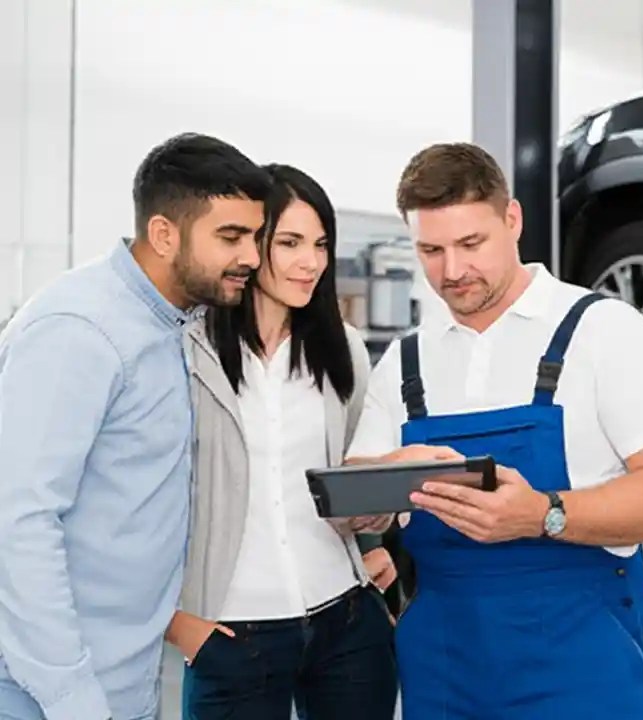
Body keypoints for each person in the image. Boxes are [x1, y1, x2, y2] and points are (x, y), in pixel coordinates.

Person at [345, 142, 643, 718]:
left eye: (470, 244)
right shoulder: (407, 360)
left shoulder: (604, 332)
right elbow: (356, 487)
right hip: (441, 664)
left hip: (577, 663)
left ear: (512, 221)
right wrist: (370, 497)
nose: (452, 271)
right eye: (430, 250)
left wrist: (541, 513)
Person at [0, 133, 271, 720]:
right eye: (231, 236)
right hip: (50, 695)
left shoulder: (171, 323)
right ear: (164, 234)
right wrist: (71, 697)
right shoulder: (82, 329)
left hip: (125, 681)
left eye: (255, 234)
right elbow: (19, 520)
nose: (252, 255)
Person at [172, 164, 399, 720]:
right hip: (230, 632)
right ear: (251, 245)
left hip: (346, 621)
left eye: (321, 243)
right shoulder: (187, 348)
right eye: (291, 242)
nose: (312, 262)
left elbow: (351, 471)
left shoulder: (340, 349)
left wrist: (374, 537)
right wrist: (180, 624)